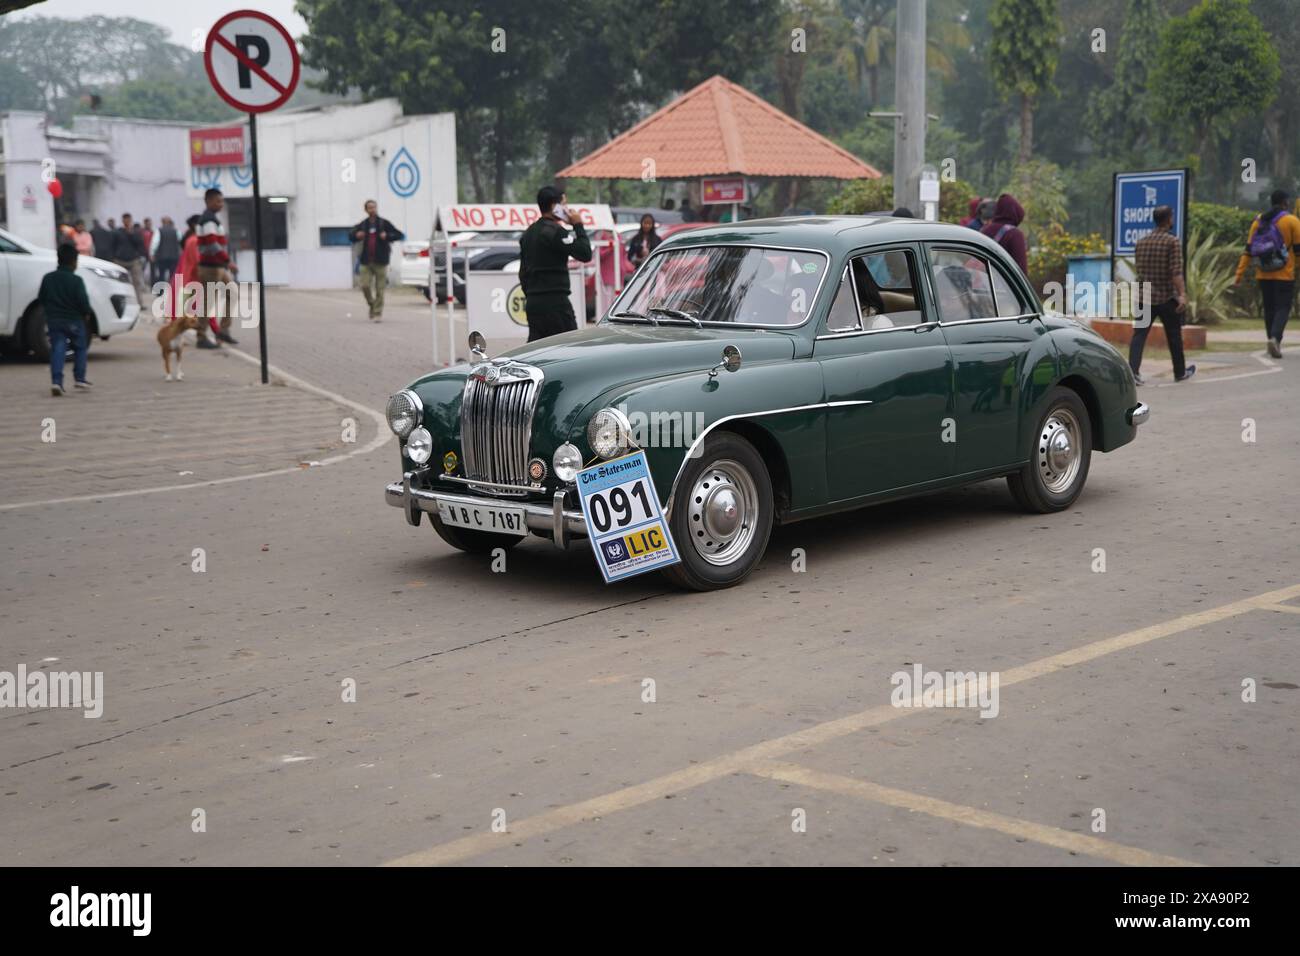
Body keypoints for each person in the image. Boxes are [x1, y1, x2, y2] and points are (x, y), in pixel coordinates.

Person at [518, 185, 592, 342]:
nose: (567, 209)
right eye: (564, 204)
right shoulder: (554, 231)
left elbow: (522, 273)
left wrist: (533, 294)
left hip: (533, 303)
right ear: (554, 206)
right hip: (555, 303)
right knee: (569, 347)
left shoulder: (528, 233)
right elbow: (585, 253)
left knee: (537, 352)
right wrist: (578, 225)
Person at [1131, 205, 1194, 385]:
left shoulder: (1141, 242)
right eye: (1172, 217)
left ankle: (1133, 372)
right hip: (1166, 297)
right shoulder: (1172, 242)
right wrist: (1182, 294)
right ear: (1168, 220)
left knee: (1139, 335)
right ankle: (1180, 372)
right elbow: (1175, 272)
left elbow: (1139, 270)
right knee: (1174, 336)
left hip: (1144, 297)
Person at [1234, 188, 1300, 358]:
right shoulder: (1292, 221)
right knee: (1283, 307)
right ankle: (1275, 339)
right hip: (1284, 274)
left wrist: (1239, 273)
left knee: (1269, 308)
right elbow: (1299, 251)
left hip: (1263, 274)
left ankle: (1271, 338)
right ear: (1286, 203)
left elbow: (1248, 250)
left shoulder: (1258, 222)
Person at [39, 243, 94, 396]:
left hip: (54, 320)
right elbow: (83, 301)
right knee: (80, 348)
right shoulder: (76, 280)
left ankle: (56, 382)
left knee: (58, 348)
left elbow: (42, 298)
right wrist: (86, 313)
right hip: (74, 320)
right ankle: (79, 378)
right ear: (73, 262)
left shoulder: (48, 278)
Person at [195, 187, 238, 348]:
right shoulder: (208, 220)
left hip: (217, 266)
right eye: (218, 201)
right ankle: (201, 336)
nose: (221, 204)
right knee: (208, 302)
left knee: (232, 293)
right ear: (208, 201)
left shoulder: (212, 218)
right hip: (210, 267)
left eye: (222, 201)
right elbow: (213, 244)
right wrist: (228, 262)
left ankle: (223, 331)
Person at [350, 200, 405, 322]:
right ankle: (372, 305)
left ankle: (377, 313)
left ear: (376, 208)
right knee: (364, 285)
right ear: (366, 210)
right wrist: (356, 235)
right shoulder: (363, 225)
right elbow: (351, 236)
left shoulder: (384, 223)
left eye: (374, 207)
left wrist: (388, 236)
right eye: (369, 208)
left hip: (381, 261)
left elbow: (399, 235)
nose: (372, 209)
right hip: (365, 261)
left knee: (380, 289)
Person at [981, 194, 1029, 277]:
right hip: (1003, 287)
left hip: (984, 284)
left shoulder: (985, 229)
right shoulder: (1015, 234)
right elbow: (1021, 271)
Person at [110, 213, 147, 302]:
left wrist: (131, 233)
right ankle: (121, 302)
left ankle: (139, 303)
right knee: (119, 282)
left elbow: (140, 244)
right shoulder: (117, 232)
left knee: (136, 283)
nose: (127, 221)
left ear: (131, 220)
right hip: (119, 260)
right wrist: (113, 258)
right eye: (125, 219)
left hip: (134, 260)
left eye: (128, 219)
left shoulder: (136, 232)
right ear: (122, 220)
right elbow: (112, 245)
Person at [153, 216, 180, 285]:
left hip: (162, 257)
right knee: (173, 275)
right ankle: (172, 291)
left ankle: (160, 292)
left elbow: (155, 243)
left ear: (162, 222)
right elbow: (180, 242)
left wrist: (152, 253)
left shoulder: (159, 230)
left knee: (161, 274)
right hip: (174, 257)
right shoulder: (176, 231)